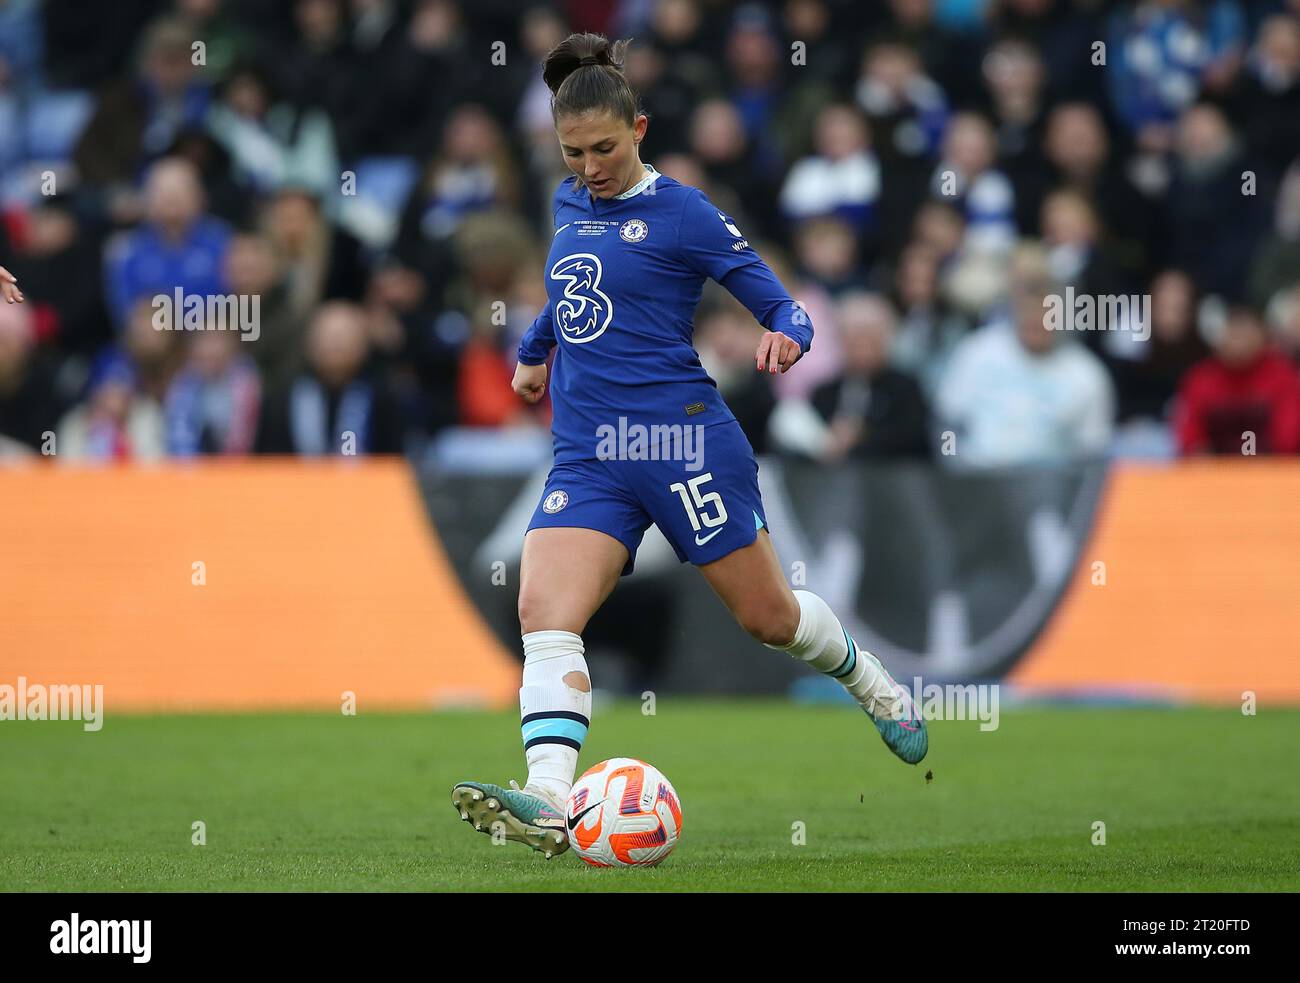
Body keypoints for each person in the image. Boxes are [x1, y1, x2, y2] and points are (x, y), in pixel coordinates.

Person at [451, 33, 928, 861]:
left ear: (639, 129)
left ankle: (869, 679)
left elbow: (782, 305)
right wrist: (533, 349)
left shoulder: (683, 211)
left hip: (682, 444)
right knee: (543, 608)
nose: (591, 166)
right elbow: (570, 287)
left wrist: (786, 334)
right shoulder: (567, 203)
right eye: (573, 153)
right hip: (590, 452)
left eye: (605, 148)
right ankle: (550, 800)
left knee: (769, 618)